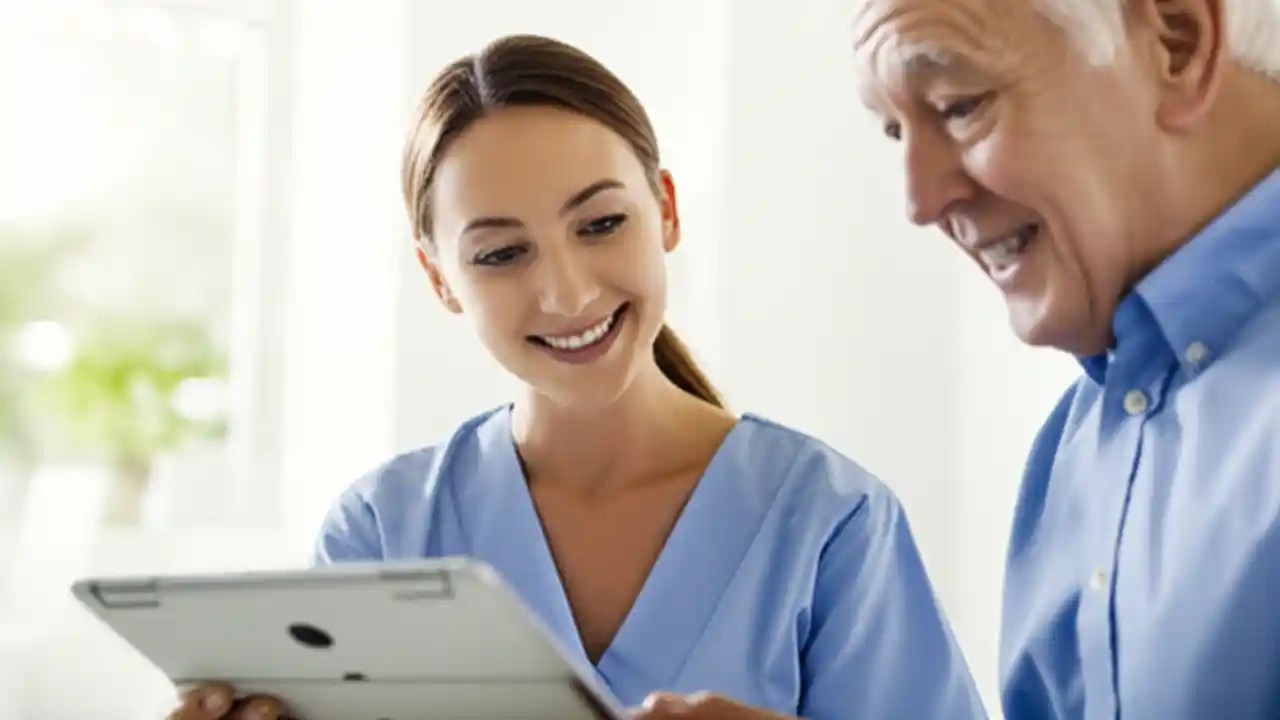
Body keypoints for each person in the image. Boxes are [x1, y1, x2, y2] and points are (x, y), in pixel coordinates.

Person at [165, 34, 984, 720]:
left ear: (664, 208)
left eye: (600, 223)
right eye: (500, 253)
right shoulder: (381, 533)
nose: (568, 292)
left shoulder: (829, 522)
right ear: (440, 277)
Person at [635, 0, 1280, 718]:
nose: (919, 199)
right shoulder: (1080, 439)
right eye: (895, 130)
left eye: (960, 106)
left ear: (1178, 44)